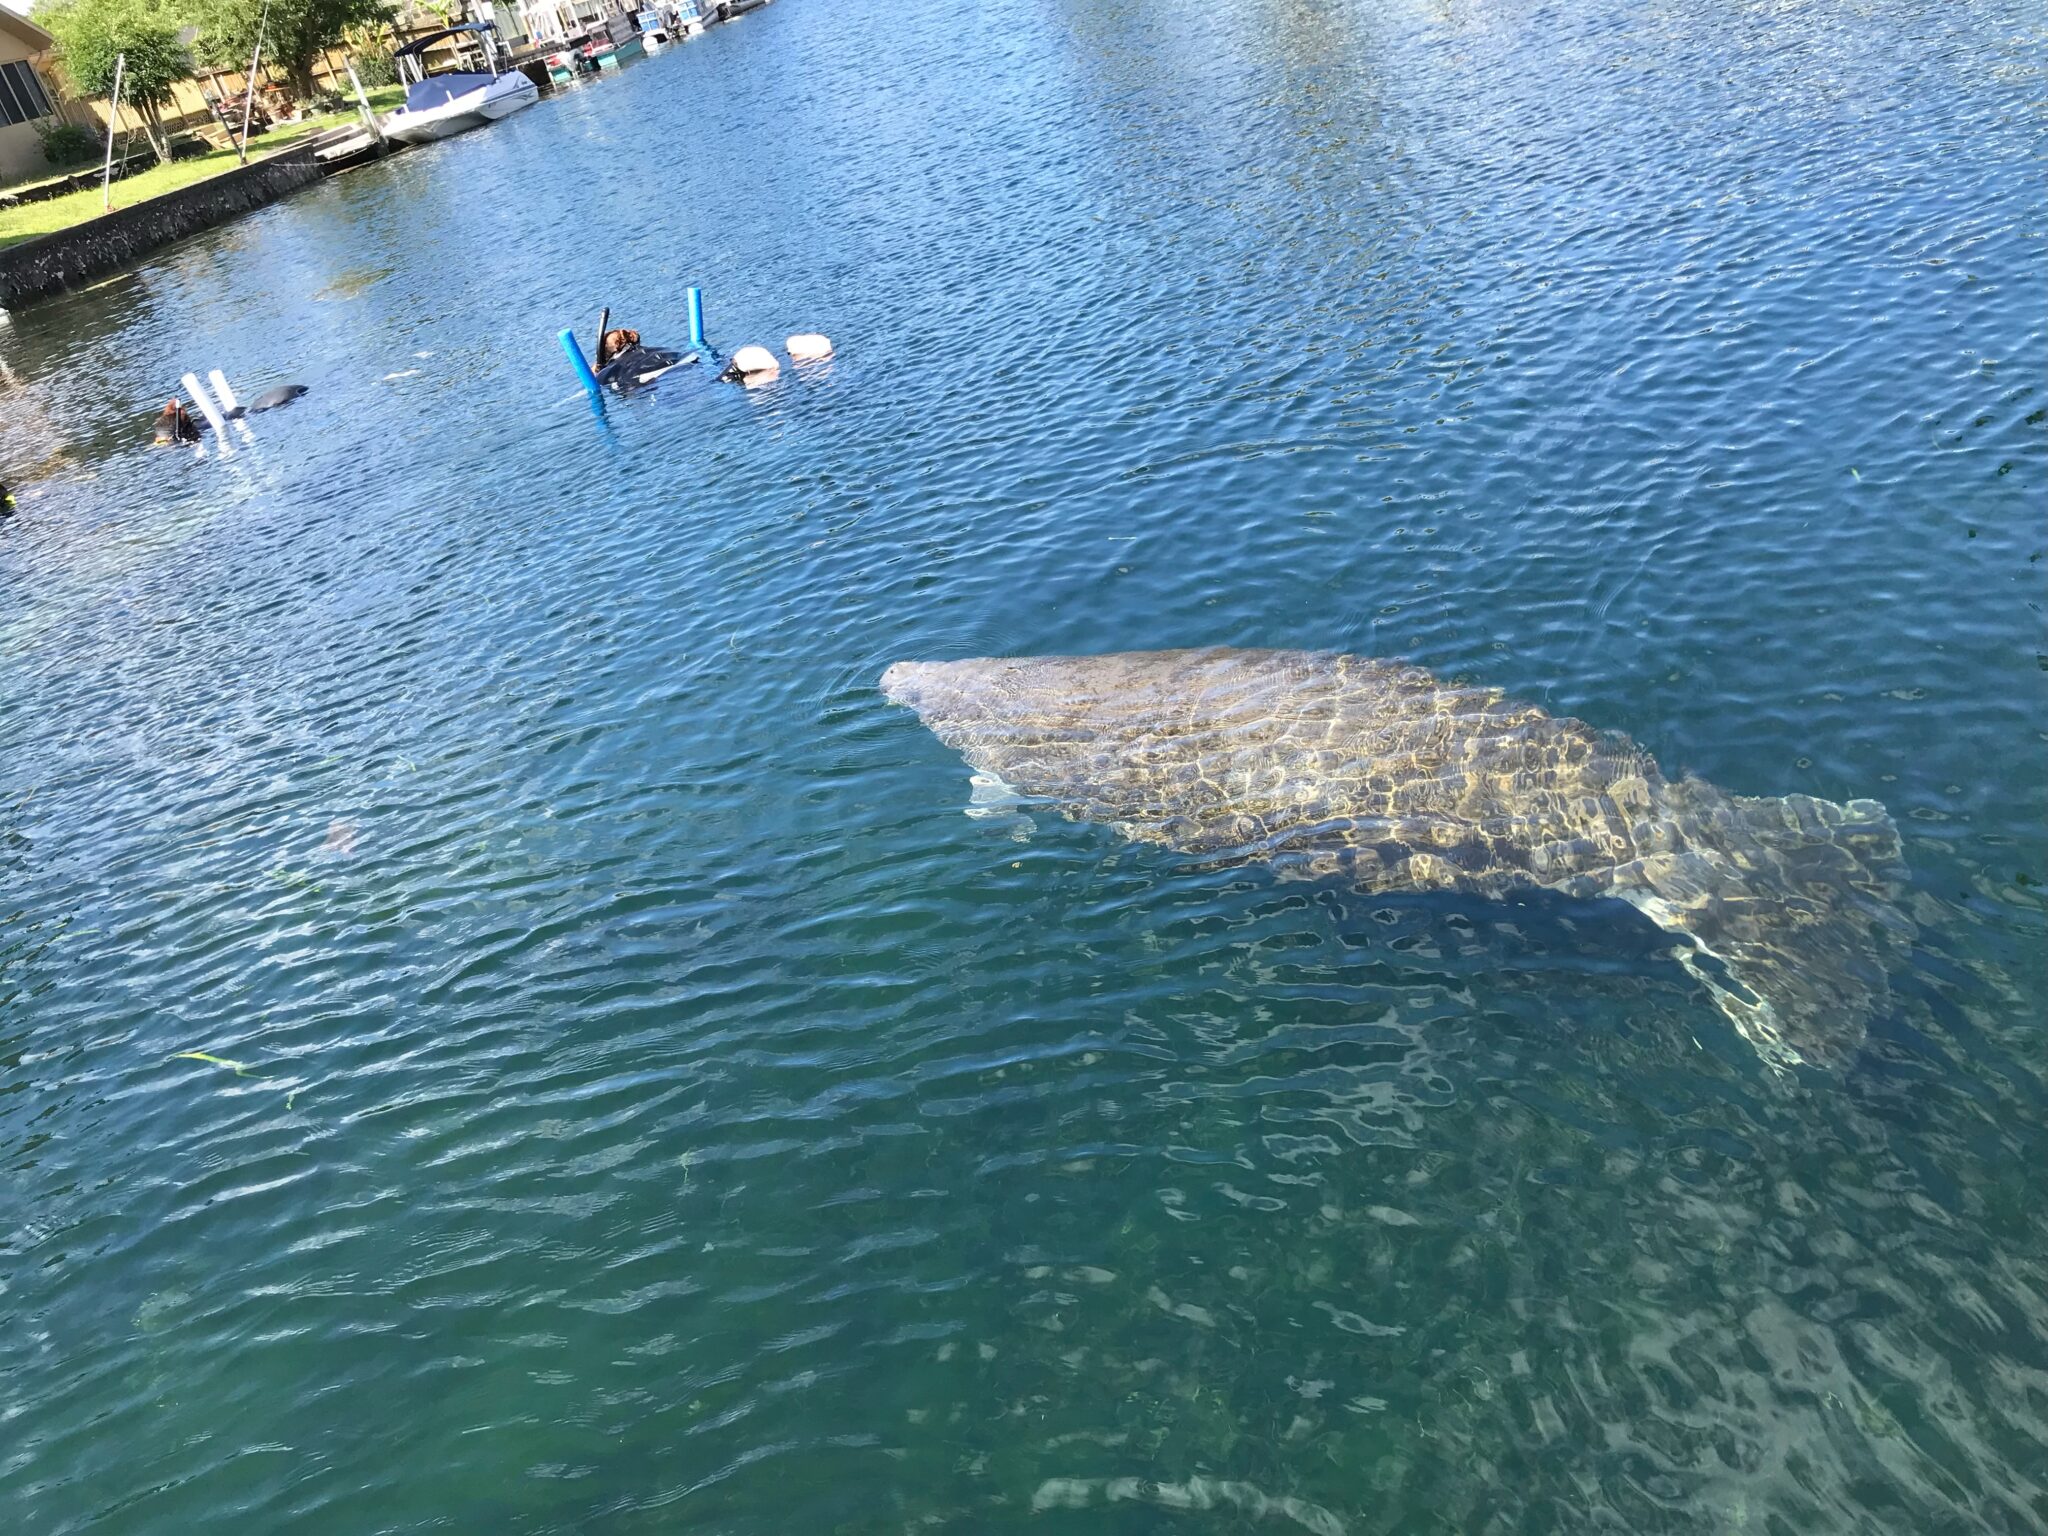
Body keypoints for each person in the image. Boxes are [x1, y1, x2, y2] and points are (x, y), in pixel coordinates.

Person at [594, 327, 691, 392]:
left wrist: (597, 374)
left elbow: (598, 384)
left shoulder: (608, 372)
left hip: (646, 381)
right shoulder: (662, 350)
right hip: (682, 365)